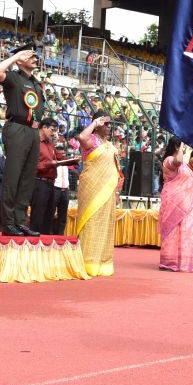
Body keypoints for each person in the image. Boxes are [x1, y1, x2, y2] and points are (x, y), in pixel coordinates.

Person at [0, 42, 44, 236]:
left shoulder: (36, 83)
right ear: (21, 60)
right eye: (29, 55)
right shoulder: (14, 77)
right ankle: (8, 222)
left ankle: (21, 220)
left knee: (27, 178)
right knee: (12, 177)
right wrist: (15, 57)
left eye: (34, 55)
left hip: (33, 131)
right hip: (17, 128)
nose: (34, 58)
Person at [74, 115, 120, 277]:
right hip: (91, 188)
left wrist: (116, 192)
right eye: (105, 123)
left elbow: (114, 170)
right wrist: (93, 123)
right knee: (91, 222)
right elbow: (81, 137)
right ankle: (87, 262)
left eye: (109, 124)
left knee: (105, 224)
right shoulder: (92, 140)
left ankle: (102, 263)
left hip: (107, 191)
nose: (108, 126)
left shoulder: (109, 145)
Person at [158, 136, 193, 272]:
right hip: (174, 204)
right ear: (176, 147)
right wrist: (181, 146)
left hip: (186, 206)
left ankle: (184, 262)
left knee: (186, 231)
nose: (186, 147)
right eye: (183, 145)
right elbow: (178, 160)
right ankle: (170, 262)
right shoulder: (169, 160)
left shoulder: (185, 165)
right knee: (173, 232)